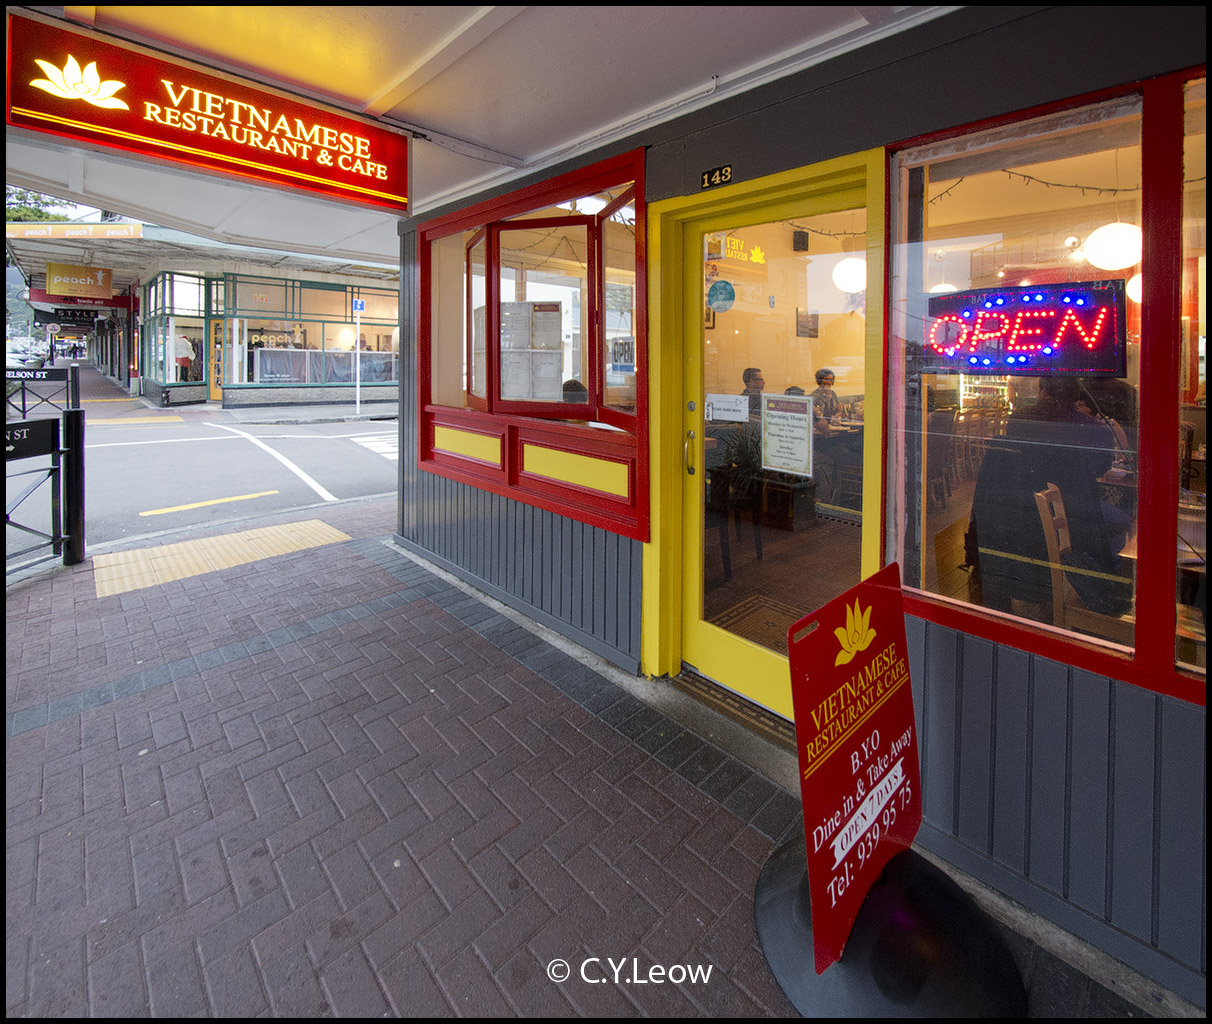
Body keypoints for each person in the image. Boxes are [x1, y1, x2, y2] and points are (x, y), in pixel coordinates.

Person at [969, 377, 1131, 616]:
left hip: (1024, 511)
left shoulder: (1020, 418)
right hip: (1079, 515)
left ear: (1043, 391)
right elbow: (1100, 470)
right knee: (1126, 522)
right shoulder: (1094, 427)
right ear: (1077, 395)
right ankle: (1106, 582)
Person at [811, 367, 842, 433]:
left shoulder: (833, 393)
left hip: (833, 426)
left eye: (831, 380)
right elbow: (814, 415)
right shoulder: (815, 395)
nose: (829, 382)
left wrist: (835, 417)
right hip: (820, 429)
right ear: (820, 380)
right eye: (826, 379)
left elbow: (840, 410)